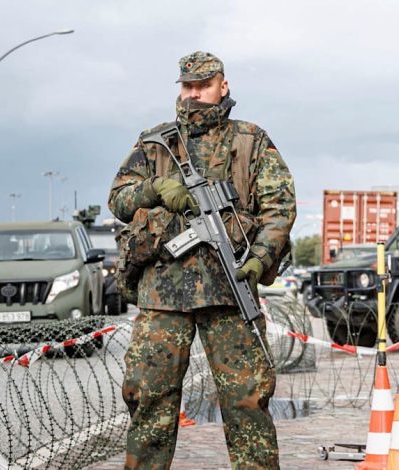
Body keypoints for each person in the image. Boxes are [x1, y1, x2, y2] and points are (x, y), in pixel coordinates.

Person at [108, 51, 296, 469]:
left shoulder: (251, 140)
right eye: (187, 86)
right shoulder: (155, 142)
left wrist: (259, 258)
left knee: (248, 402)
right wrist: (157, 188)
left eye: (203, 86)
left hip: (229, 291)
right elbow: (119, 199)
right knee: (149, 401)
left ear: (222, 86)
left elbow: (278, 209)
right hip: (163, 293)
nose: (194, 94)